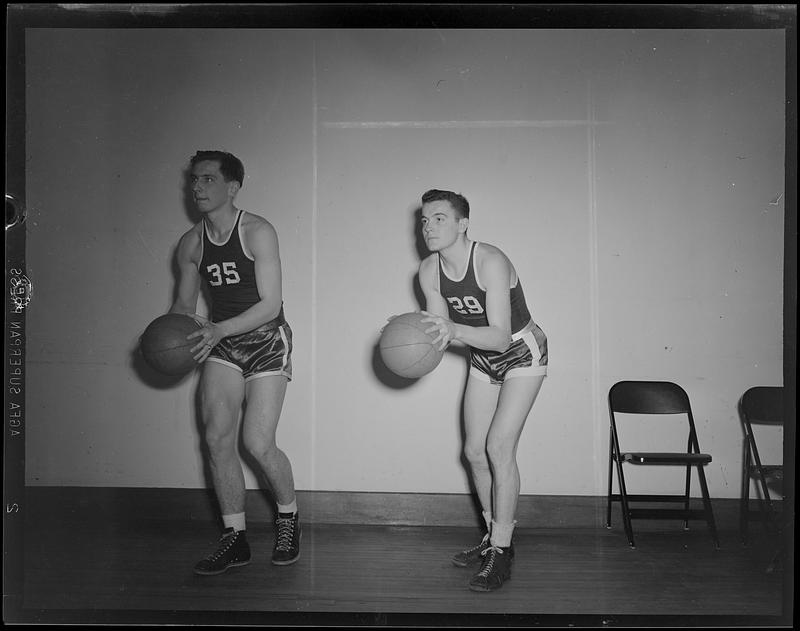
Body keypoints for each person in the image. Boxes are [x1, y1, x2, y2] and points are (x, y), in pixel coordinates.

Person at [169, 150, 300, 575]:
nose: (197, 187)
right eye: (194, 179)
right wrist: (171, 341)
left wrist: (218, 329)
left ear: (232, 187)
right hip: (222, 342)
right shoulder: (190, 244)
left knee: (258, 442)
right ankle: (235, 537)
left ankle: (288, 518)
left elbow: (270, 304)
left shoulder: (258, 231)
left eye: (208, 179)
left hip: (265, 338)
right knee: (216, 438)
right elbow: (184, 308)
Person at [416, 189, 548, 592]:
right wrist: (413, 340)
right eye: (424, 220)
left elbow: (501, 336)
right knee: (473, 451)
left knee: (499, 447)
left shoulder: (490, 260)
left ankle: (503, 551)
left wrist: (454, 330)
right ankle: (493, 536)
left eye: (439, 218)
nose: (428, 227)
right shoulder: (427, 270)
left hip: (522, 351)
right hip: (482, 355)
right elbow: (443, 336)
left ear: (463, 224)